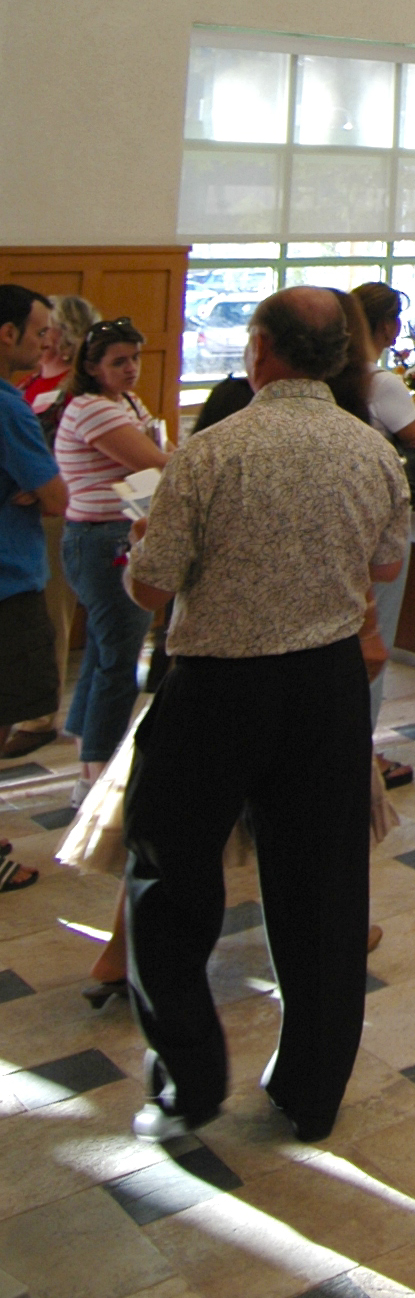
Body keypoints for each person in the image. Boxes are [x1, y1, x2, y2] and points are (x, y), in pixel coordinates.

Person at [122, 287, 408, 1143]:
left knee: (171, 879)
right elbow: (386, 568)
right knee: (324, 893)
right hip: (325, 690)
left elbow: (152, 585)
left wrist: (137, 554)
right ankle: (311, 1092)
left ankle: (191, 1077)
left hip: (216, 686)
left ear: (263, 351)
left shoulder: (213, 454)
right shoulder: (373, 453)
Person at [51, 317, 164, 795]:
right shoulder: (93, 409)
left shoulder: (127, 403)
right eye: (119, 361)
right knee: (120, 660)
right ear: (93, 367)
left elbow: (163, 450)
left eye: (135, 358)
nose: (132, 369)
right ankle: (98, 778)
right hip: (102, 541)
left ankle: (85, 752)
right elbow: (158, 461)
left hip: (121, 532)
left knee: (104, 650)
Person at [8, 291, 97, 761]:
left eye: (50, 331)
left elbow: (56, 474)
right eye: (38, 331)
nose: (44, 340)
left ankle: (39, 717)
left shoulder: (73, 391)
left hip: (54, 520)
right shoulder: (19, 392)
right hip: (17, 536)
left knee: (53, 611)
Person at [347, 285, 415, 748]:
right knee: (374, 638)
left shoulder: (338, 376)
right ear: (387, 327)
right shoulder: (381, 382)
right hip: (382, 523)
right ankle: (363, 753)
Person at [0, 288, 63, 881]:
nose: (47, 342)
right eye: (40, 331)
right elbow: (54, 496)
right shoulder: (9, 406)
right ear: (7, 335)